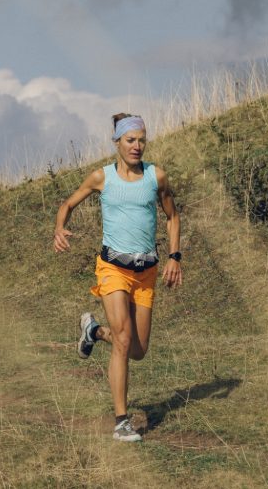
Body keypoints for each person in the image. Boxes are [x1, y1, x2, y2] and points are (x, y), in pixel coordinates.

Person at [53, 113, 182, 442]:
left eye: (141, 140)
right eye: (130, 140)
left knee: (138, 350)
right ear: (117, 143)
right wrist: (59, 228)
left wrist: (174, 256)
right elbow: (68, 204)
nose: (137, 146)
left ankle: (93, 331)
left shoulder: (156, 177)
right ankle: (121, 422)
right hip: (112, 269)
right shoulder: (102, 177)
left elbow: (172, 216)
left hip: (146, 271)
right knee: (123, 342)